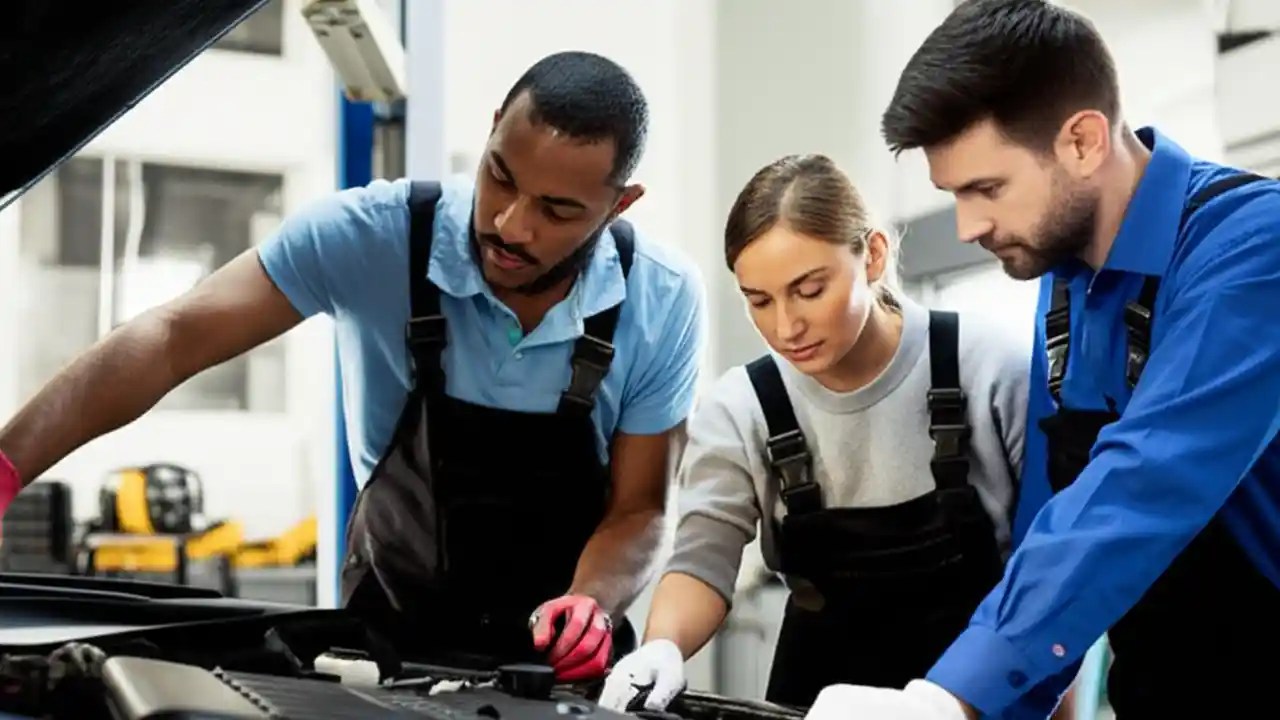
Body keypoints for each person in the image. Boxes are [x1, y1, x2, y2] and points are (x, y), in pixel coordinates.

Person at [0, 51, 707, 682]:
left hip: (560, 668)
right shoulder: (375, 237)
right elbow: (173, 335)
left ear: (619, 204)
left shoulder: (662, 298)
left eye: (558, 210)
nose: (512, 225)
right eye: (501, 176)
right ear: (493, 129)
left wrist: (591, 605)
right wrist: (6, 469)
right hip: (385, 646)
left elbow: (640, 506)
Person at [803, 1, 1280, 718]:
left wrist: (953, 696)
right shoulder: (1063, 283)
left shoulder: (1253, 249)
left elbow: (1145, 478)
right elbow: (1050, 521)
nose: (968, 227)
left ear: (1083, 140)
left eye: (986, 188)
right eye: (953, 194)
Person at [597, 153, 1054, 713]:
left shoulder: (991, 367)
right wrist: (662, 648)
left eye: (809, 290)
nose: (786, 327)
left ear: (874, 256)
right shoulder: (742, 408)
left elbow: (1050, 567)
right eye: (758, 301)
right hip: (814, 698)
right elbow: (703, 559)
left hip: (972, 694)